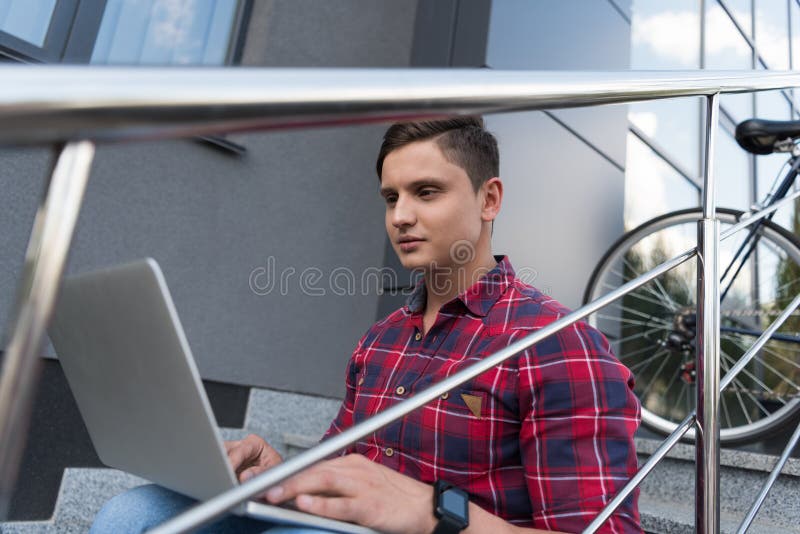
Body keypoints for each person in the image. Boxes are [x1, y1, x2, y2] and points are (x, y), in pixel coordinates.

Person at [91, 117, 642, 534]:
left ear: (489, 199)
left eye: (426, 192)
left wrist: (433, 512)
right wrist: (285, 473)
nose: (400, 216)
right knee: (135, 513)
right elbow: (343, 468)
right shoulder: (381, 341)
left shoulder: (558, 344)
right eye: (391, 197)